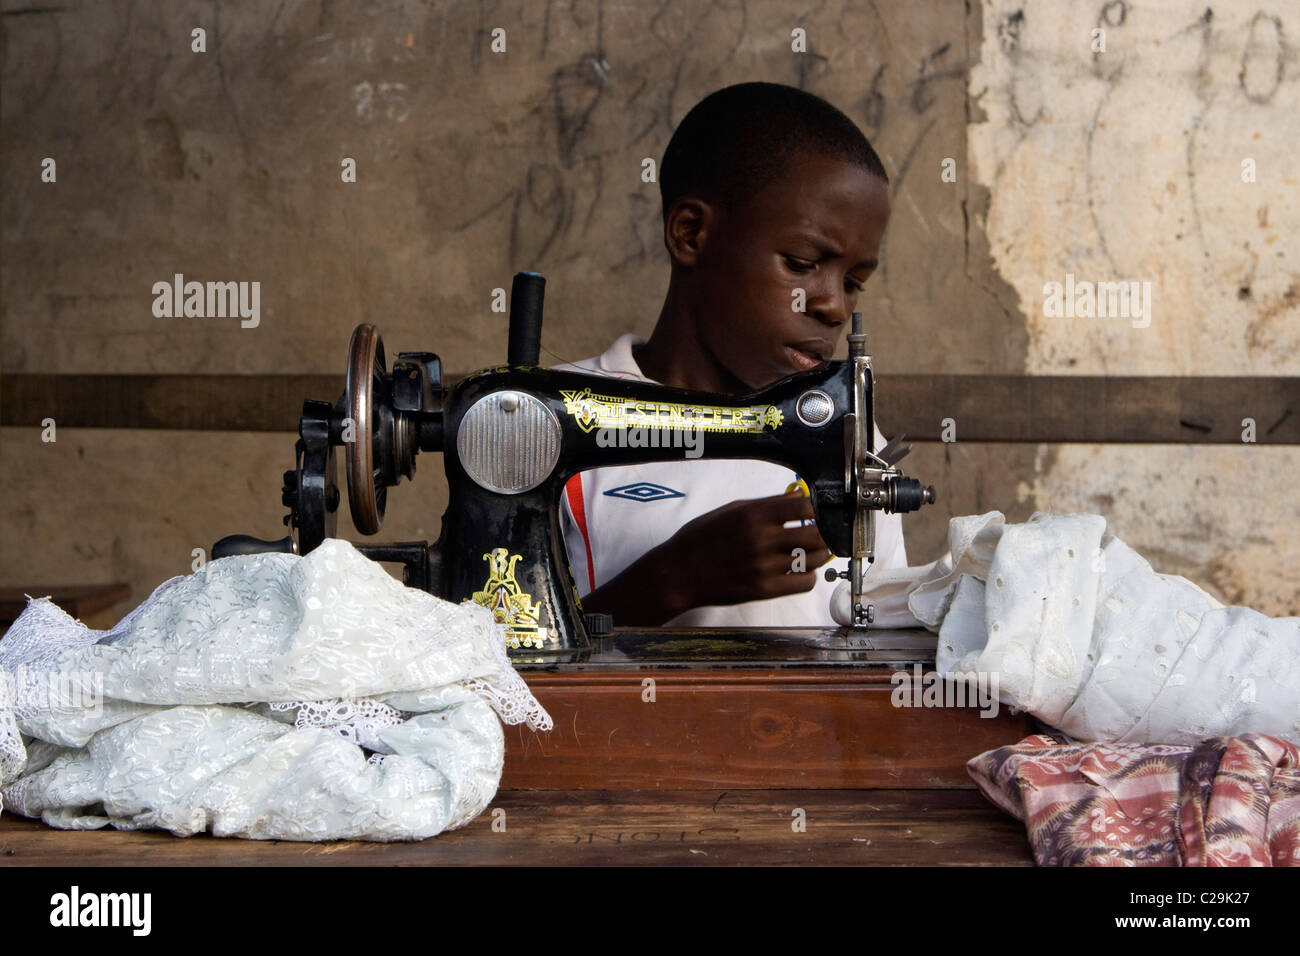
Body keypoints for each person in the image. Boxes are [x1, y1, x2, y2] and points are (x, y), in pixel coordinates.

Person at [554, 81, 907, 627]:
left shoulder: (849, 439)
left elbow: (881, 628)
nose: (834, 306)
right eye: (801, 263)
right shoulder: (551, 425)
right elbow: (489, 659)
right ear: (690, 234)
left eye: (854, 282)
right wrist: (674, 580)